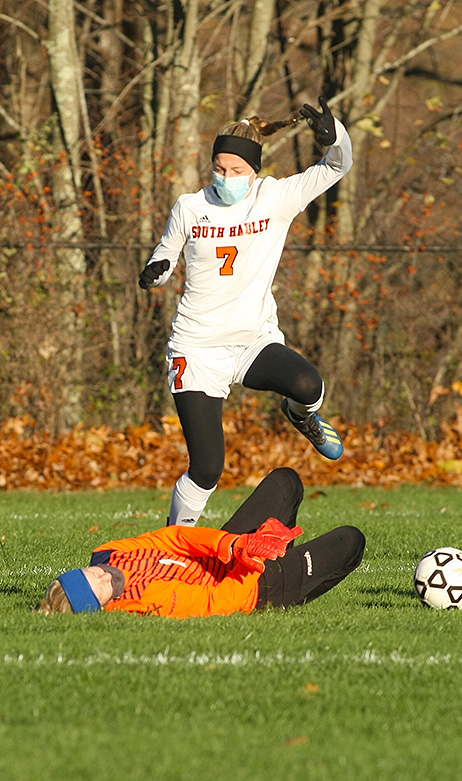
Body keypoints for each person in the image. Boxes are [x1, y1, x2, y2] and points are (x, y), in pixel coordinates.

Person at [138, 97, 353, 526]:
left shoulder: (275, 198)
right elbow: (165, 255)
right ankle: (170, 551)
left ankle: (299, 414)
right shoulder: (190, 207)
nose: (226, 178)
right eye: (219, 169)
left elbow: (336, 166)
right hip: (197, 350)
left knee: (309, 385)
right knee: (207, 469)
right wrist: (156, 270)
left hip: (252, 342)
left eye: (236, 171)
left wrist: (335, 134)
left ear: (253, 170)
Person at [36, 467, 365, 617]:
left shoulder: (110, 553)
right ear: (104, 605)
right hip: (250, 589)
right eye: (102, 589)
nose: (105, 576)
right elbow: (217, 601)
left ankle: (281, 556)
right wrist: (254, 564)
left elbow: (177, 539)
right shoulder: (143, 603)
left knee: (285, 482)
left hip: (231, 555)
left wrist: (239, 545)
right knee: (350, 541)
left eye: (93, 575)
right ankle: (289, 592)